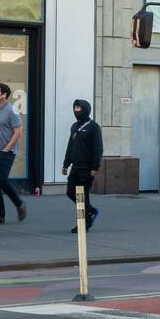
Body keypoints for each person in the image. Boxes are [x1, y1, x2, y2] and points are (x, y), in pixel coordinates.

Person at [61, 99, 103, 234]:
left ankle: (83, 224)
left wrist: (95, 168)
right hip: (75, 167)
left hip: (87, 168)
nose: (76, 110)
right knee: (70, 192)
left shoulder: (93, 127)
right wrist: (66, 164)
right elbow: (70, 146)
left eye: (79, 108)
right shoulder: (74, 126)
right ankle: (90, 211)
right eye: (75, 108)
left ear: (85, 109)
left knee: (82, 197)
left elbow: (98, 149)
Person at [0, 83, 27, 225]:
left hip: (7, 151)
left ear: (4, 95)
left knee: (1, 180)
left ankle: (19, 204)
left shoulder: (12, 110)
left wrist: (7, 148)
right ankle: (0, 215)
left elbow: (18, 131)